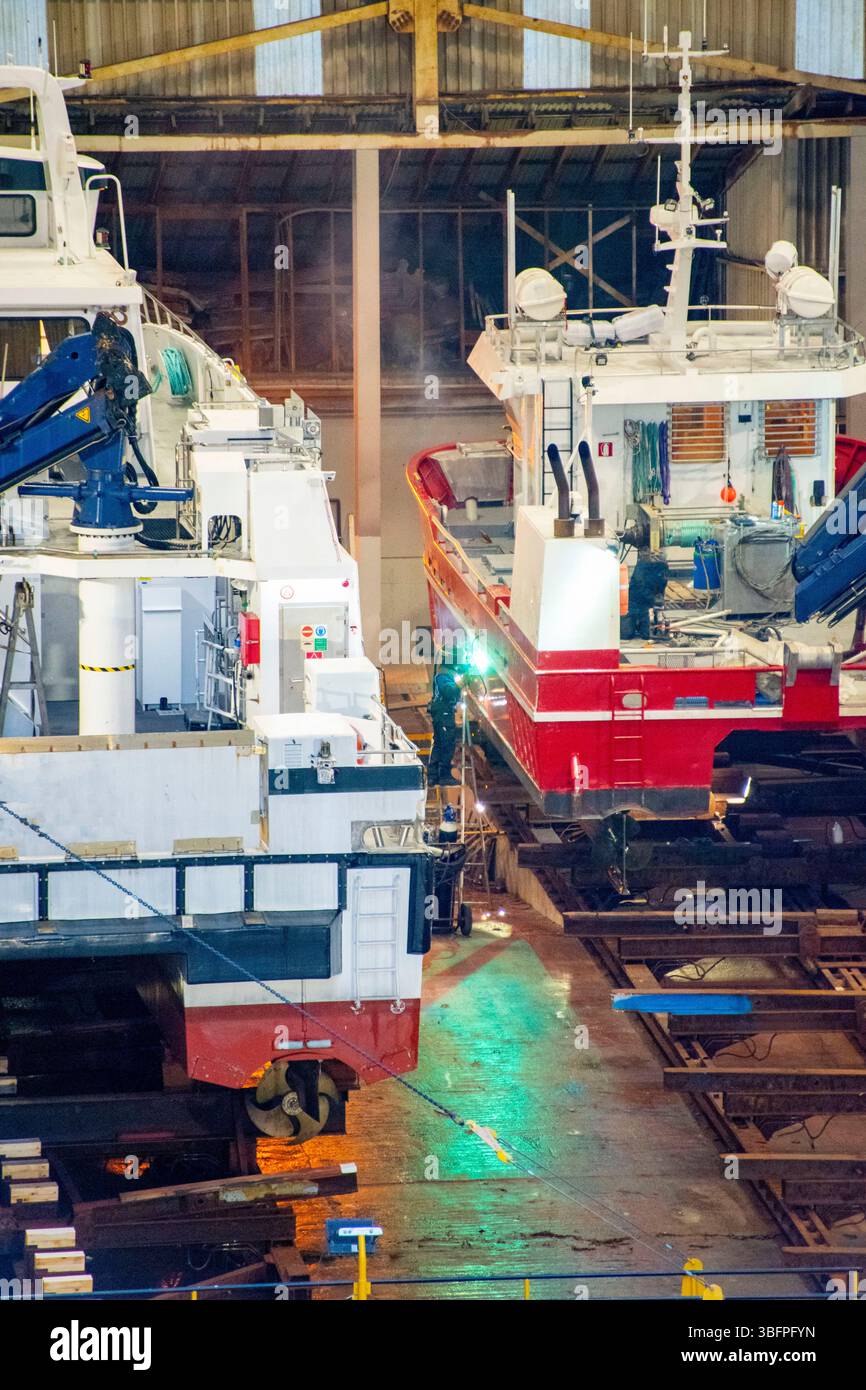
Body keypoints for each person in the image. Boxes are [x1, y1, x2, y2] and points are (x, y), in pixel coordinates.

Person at [427, 661, 463, 786]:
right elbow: (449, 692)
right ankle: (443, 775)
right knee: (447, 744)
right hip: (444, 713)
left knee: (439, 744)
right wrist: (460, 683)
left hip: (442, 713)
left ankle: (433, 776)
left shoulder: (443, 676)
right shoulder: (443, 677)